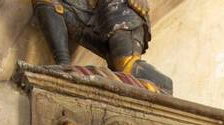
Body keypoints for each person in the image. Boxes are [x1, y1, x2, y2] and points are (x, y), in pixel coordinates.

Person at [32, 0, 174, 94]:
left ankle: (164, 86)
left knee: (126, 67)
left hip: (122, 13)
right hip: (95, 15)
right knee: (47, 2)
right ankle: (64, 65)